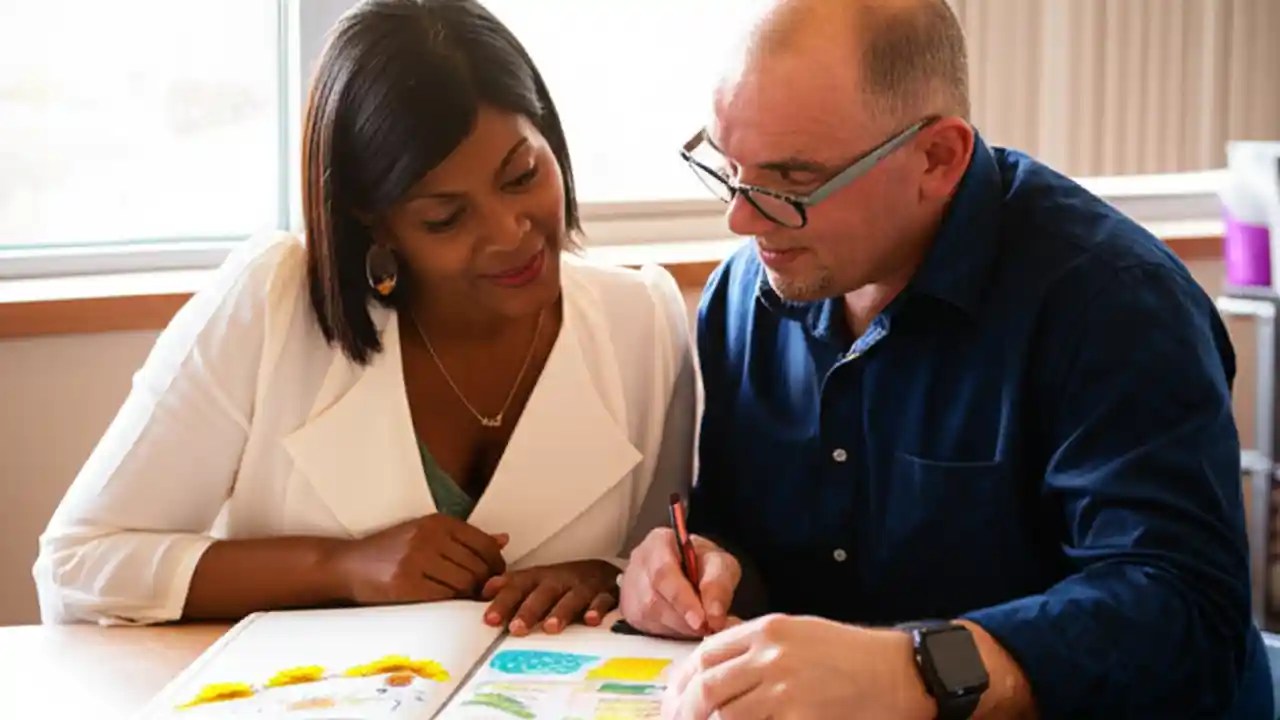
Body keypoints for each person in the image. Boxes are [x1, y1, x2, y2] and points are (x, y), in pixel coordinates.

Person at [619, 0, 1272, 717]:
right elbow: (750, 537)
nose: (740, 218)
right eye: (727, 166)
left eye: (792, 179)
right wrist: (706, 567)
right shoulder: (747, 294)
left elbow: (1182, 616)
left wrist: (921, 668)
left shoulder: (1117, 303)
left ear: (937, 158)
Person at [33, 0, 696, 637]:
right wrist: (339, 567)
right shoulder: (274, 303)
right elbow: (77, 566)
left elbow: (671, 559)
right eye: (445, 217)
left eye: (521, 176)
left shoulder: (641, 320)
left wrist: (610, 576)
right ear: (372, 220)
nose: (508, 233)